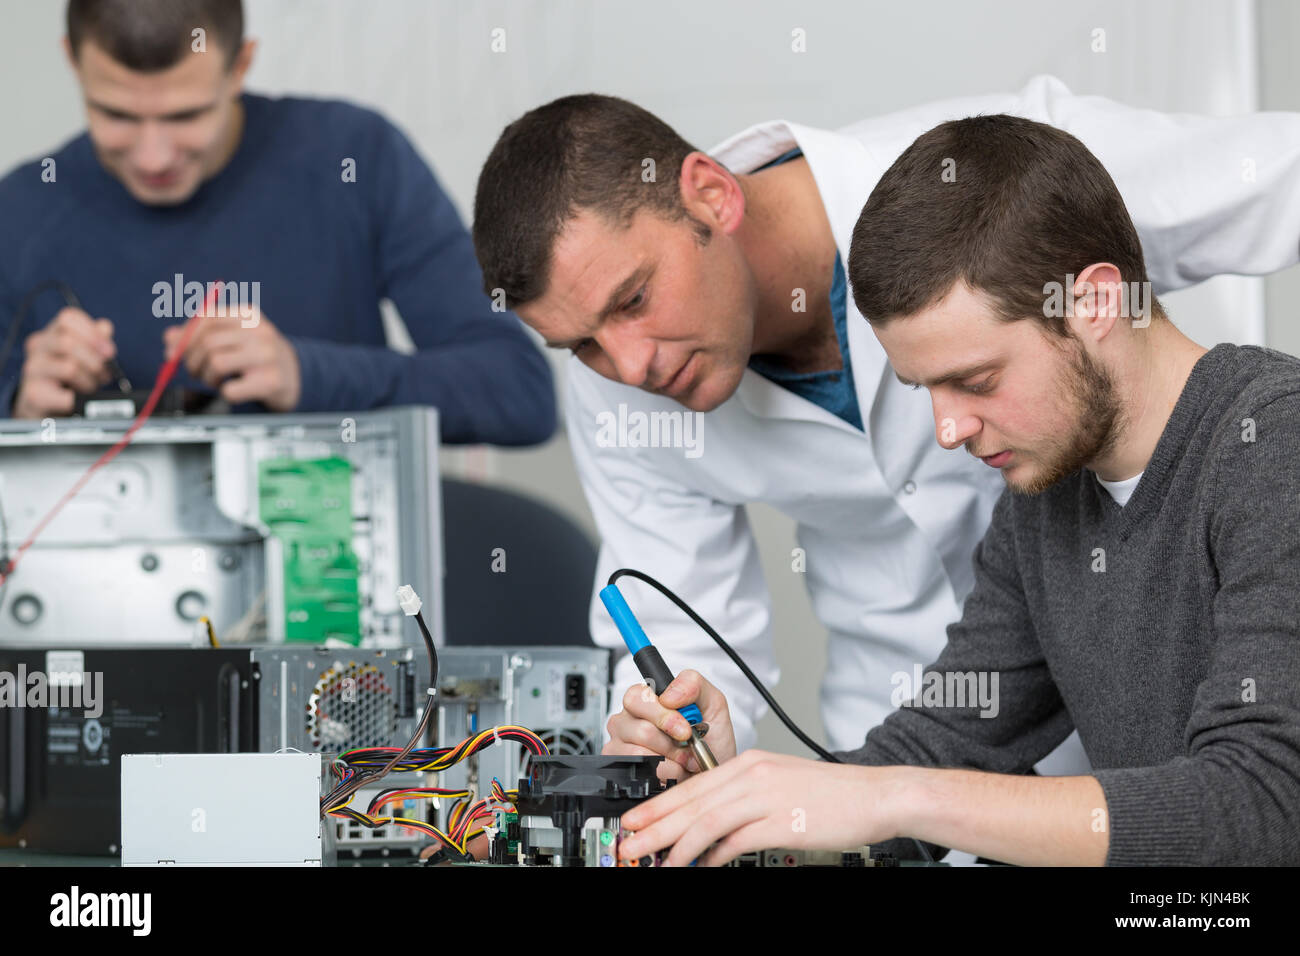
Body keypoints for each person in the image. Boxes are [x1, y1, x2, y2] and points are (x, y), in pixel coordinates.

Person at [471, 77, 1300, 781]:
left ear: (712, 195)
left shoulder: (990, 186)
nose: (632, 365)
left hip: (1156, 740)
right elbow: (692, 640)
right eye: (580, 344)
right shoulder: (620, 397)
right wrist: (681, 743)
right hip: (904, 747)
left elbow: (1277, 179)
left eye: (633, 299)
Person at [0, 0, 554, 446]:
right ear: (73, 61)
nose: (153, 157)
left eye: (185, 115)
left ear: (240, 65)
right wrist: (19, 407)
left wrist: (305, 375)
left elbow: (518, 392)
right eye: (116, 115)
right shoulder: (21, 208)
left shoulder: (356, 156)